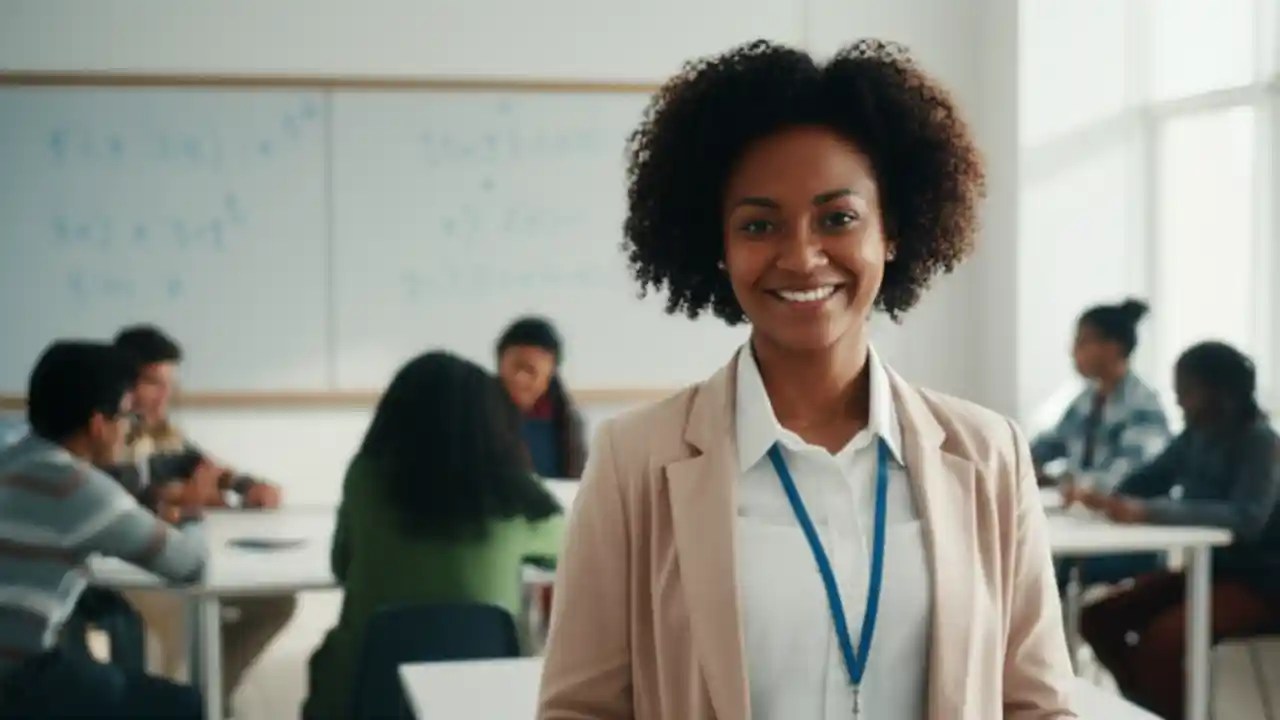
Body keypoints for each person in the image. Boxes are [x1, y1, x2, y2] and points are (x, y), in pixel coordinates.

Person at [538, 39, 1075, 720]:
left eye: (838, 218)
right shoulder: (634, 462)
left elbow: (1038, 705)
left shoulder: (988, 453)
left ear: (893, 231)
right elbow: (579, 710)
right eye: (759, 224)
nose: (801, 255)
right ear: (720, 247)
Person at [303, 352, 565, 719]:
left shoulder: (365, 478)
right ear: (489, 421)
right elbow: (567, 546)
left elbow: (341, 565)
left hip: (363, 697)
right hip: (482, 700)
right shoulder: (512, 497)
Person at [0, 342, 207, 718]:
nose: (130, 429)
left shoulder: (10, 459)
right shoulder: (78, 487)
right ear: (98, 425)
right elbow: (190, 565)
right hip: (17, 678)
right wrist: (189, 518)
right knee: (182, 705)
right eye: (127, 416)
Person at [1079, 342, 1280, 720]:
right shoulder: (1194, 437)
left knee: (1162, 643)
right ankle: (1149, 710)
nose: (1179, 400)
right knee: (1098, 619)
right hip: (1210, 573)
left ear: (1221, 392)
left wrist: (1146, 511)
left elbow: (1246, 519)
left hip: (1263, 584)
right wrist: (1104, 497)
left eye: (1187, 390)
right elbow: (1146, 480)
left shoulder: (1261, 442)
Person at [107, 325, 295, 709]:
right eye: (155, 384)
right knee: (192, 617)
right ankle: (195, 702)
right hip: (128, 565)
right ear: (126, 384)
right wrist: (182, 501)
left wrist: (248, 485)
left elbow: (201, 463)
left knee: (276, 601)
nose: (165, 396)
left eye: (169, 384)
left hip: (176, 554)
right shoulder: (108, 429)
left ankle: (209, 696)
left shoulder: (159, 431)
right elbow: (122, 503)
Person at [1032, 300, 1172, 589]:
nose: (1073, 352)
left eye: (1083, 342)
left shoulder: (1143, 406)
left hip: (1125, 536)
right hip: (1085, 524)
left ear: (1113, 348)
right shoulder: (1088, 399)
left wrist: (1066, 483)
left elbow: (1127, 478)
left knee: (1040, 566)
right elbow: (1048, 445)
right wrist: (1021, 462)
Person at [496, 317, 587, 478]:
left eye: (531, 370)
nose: (520, 378)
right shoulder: (476, 415)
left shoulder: (567, 424)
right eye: (515, 367)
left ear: (550, 373)